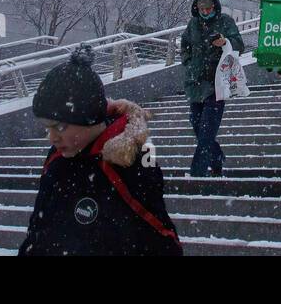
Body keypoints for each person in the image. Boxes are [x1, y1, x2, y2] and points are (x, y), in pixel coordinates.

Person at [19, 45, 182, 256]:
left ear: (89, 118)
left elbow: (160, 236)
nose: (52, 137)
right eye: (46, 127)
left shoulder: (131, 160)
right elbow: (38, 230)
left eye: (59, 127)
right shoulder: (57, 157)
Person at [179, 0, 244, 177]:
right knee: (198, 128)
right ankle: (217, 159)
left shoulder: (225, 22)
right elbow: (185, 45)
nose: (205, 12)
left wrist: (225, 42)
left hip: (217, 85)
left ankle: (196, 175)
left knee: (206, 133)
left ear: (215, 6)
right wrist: (188, 63)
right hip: (195, 85)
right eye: (202, 9)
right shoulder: (193, 25)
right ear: (197, 8)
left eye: (209, 8)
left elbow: (239, 44)